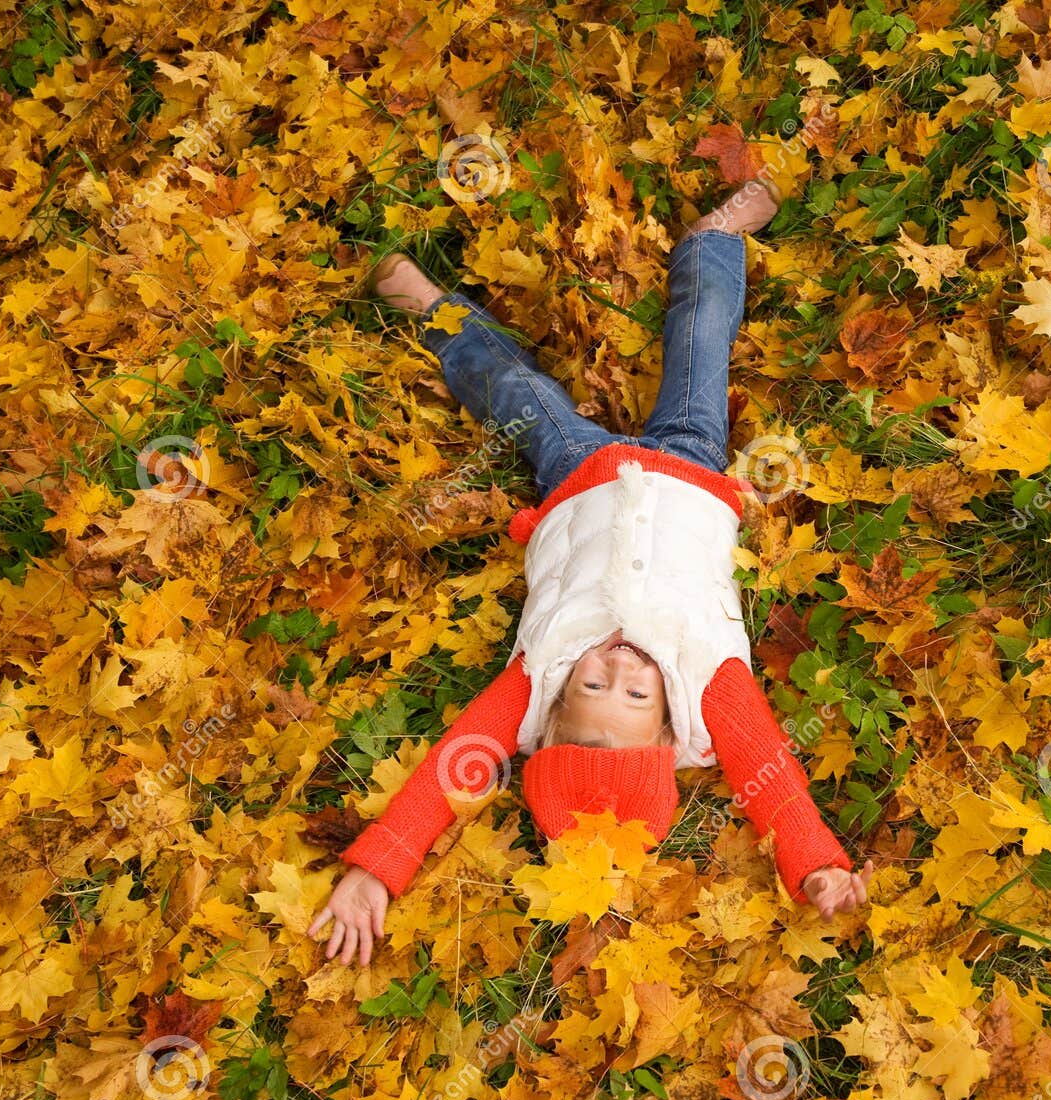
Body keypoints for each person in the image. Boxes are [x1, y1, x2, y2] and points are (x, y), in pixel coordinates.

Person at [310, 177, 873, 968]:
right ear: (671, 729)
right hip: (690, 470)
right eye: (635, 694)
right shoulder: (708, 688)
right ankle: (712, 241)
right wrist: (816, 864)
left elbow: (453, 766)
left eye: (592, 687)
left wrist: (379, 868)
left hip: (577, 478)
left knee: (516, 391)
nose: (614, 667)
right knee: (703, 341)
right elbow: (768, 776)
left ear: (552, 710)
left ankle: (431, 310)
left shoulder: (536, 680)